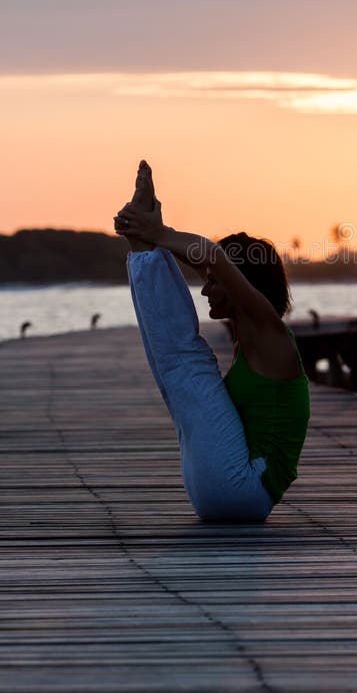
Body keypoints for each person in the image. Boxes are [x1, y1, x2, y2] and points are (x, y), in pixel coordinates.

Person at [113, 160, 310, 522]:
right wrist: (153, 237)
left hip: (243, 488)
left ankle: (144, 243)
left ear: (242, 285)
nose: (204, 289)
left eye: (213, 283)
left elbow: (215, 259)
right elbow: (210, 264)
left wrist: (158, 231)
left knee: (186, 361)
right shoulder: (251, 340)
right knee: (172, 367)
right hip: (230, 490)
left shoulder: (273, 335)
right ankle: (142, 249)